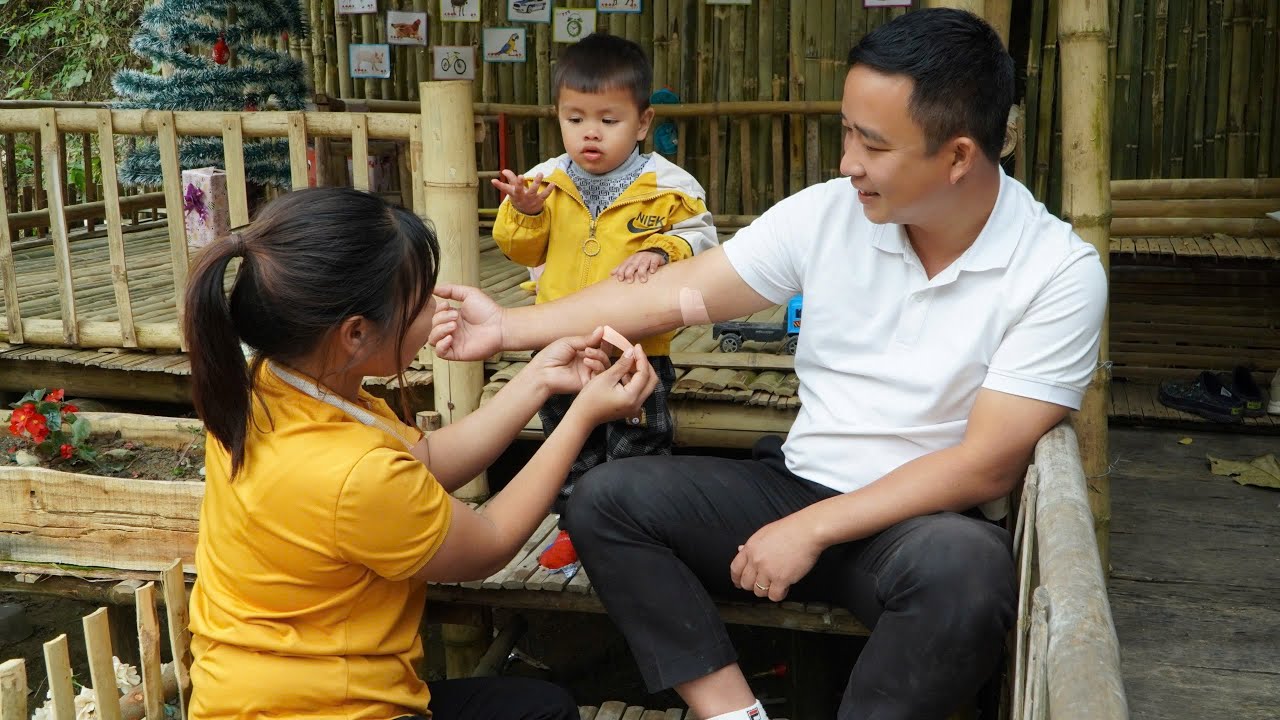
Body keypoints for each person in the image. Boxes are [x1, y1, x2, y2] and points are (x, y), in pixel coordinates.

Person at [431, 9, 1107, 720]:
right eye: (846, 132)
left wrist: (813, 529)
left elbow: (985, 465)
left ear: (959, 156)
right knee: (605, 498)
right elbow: (668, 297)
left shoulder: (1055, 270)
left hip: (920, 525)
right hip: (793, 485)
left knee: (970, 573)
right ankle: (736, 714)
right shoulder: (828, 214)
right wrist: (507, 326)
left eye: (872, 144)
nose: (847, 162)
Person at [181, 187, 657, 720]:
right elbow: (488, 543)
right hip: (325, 709)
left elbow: (422, 462)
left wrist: (538, 379)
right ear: (356, 333)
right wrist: (581, 417)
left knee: (539, 707)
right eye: (422, 301)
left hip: (246, 697)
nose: (437, 311)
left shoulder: (272, 386)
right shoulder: (354, 473)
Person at [490, 33, 718, 564]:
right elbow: (519, 249)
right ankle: (575, 526)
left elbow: (701, 238)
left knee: (639, 439)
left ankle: (642, 526)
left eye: (608, 120)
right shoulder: (543, 182)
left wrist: (660, 250)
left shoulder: (669, 186)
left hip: (637, 348)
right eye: (574, 119)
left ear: (642, 123)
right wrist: (525, 213)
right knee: (567, 440)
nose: (589, 132)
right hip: (561, 346)